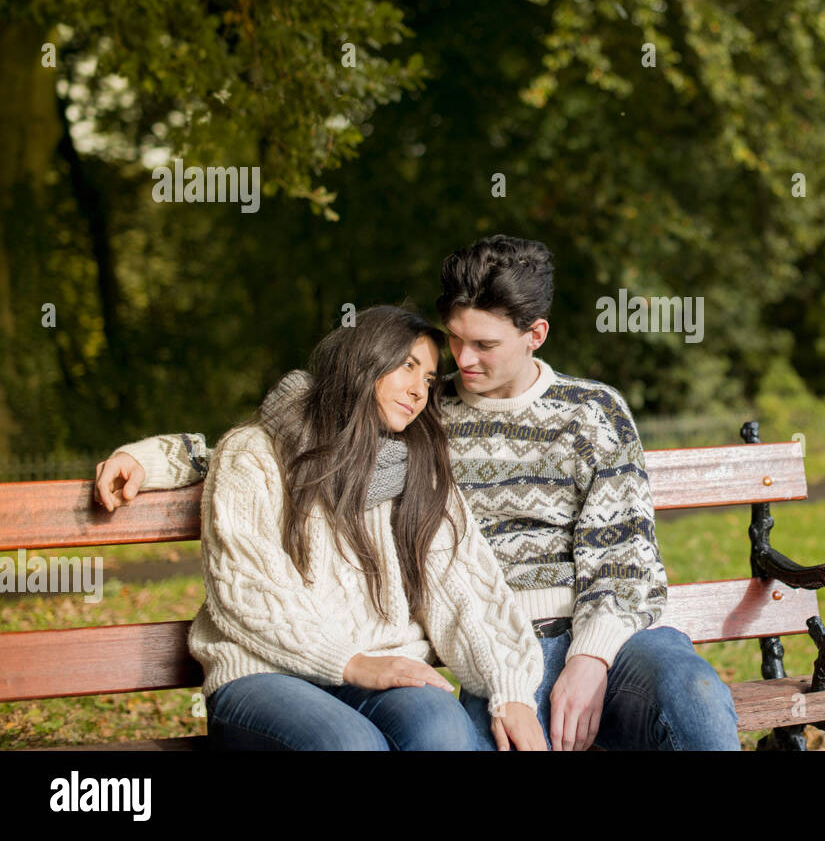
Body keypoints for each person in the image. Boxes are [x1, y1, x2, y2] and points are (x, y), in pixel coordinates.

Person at [96, 236, 741, 751]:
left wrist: (590, 658)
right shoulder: (419, 421)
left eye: (483, 345)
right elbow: (289, 451)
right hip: (485, 647)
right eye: (452, 340)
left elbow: (624, 561)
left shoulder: (589, 413)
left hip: (597, 641)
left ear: (535, 335)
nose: (460, 362)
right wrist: (156, 457)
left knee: (694, 697)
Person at [95, 304, 546, 751]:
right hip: (263, 674)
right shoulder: (258, 453)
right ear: (362, 362)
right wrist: (352, 663)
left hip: (379, 673)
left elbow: (460, 588)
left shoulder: (419, 471)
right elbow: (249, 593)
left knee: (443, 731)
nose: (418, 390)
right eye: (406, 367)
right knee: (350, 744)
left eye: (428, 379)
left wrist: (510, 689)